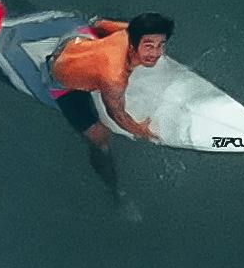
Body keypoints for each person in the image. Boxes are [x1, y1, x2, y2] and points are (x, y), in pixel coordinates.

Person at [49, 11, 175, 188]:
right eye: (148, 46)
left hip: (76, 39)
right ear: (133, 44)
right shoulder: (115, 78)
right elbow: (116, 114)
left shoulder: (127, 31)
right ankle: (115, 192)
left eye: (161, 45)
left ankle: (95, 64)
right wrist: (141, 130)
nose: (156, 53)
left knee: (101, 30)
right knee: (100, 137)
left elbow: (99, 24)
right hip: (61, 81)